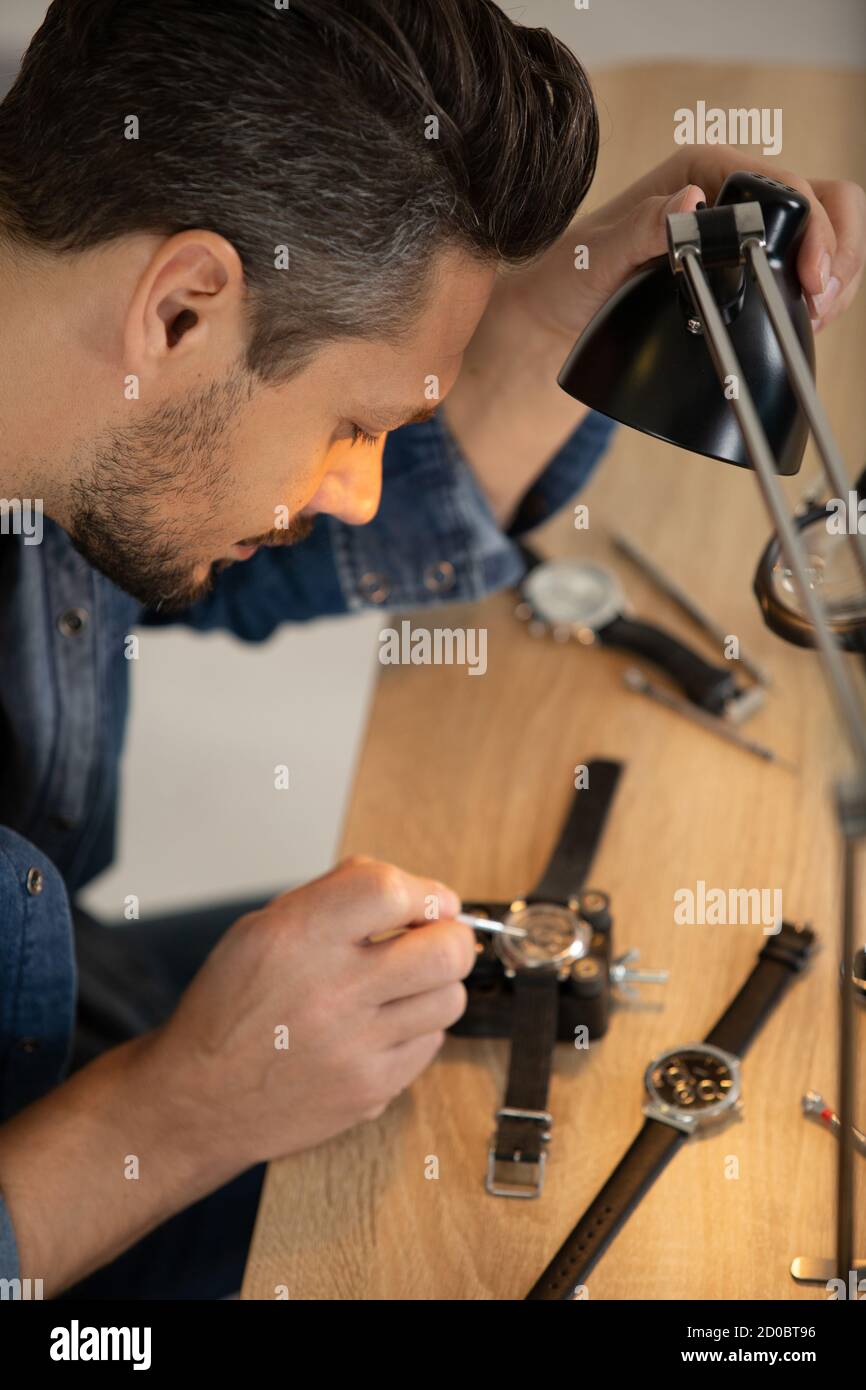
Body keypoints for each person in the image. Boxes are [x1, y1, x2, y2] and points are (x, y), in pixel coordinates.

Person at [0, 0, 862, 1300]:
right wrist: (177, 1113)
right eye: (353, 421)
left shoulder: (74, 417)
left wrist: (539, 315)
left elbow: (196, 542)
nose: (357, 487)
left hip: (74, 987)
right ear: (180, 310)